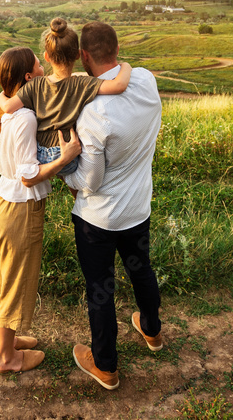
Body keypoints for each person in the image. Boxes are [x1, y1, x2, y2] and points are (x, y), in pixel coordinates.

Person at [62, 21, 164, 391]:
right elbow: (129, 70)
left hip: (99, 218)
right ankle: (152, 331)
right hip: (138, 209)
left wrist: (62, 172)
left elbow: (89, 180)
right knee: (142, 271)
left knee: (100, 288)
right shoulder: (146, 81)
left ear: (84, 56)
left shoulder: (93, 114)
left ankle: (106, 365)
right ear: (118, 50)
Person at [0, 46, 82, 373]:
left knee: (1, 276)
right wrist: (65, 158)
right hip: (21, 208)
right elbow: (28, 177)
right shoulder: (26, 117)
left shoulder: (12, 107)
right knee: (15, 282)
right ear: (29, 77)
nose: (45, 70)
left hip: (1, 201)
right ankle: (9, 360)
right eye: (41, 66)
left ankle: (2, 344)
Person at [0, 18, 132, 178]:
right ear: (77, 55)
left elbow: (7, 107)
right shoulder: (82, 84)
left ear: (47, 56)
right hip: (67, 156)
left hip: (40, 155)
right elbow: (119, 85)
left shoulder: (36, 84)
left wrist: (2, 94)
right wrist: (126, 66)